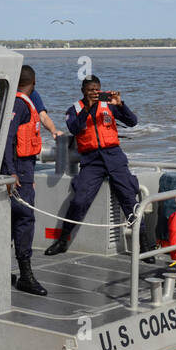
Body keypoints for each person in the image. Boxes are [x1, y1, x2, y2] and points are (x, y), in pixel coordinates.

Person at [43, 75, 140, 255]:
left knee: (128, 197)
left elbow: (132, 121)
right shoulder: (75, 109)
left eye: (97, 89)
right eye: (90, 90)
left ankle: (145, 244)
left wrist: (120, 104)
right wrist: (88, 108)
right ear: (83, 91)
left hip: (113, 156)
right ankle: (63, 241)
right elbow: (75, 128)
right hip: (91, 160)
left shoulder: (109, 105)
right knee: (80, 200)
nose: (94, 93)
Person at [2, 67, 47, 295]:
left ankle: (2, 270)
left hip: (24, 170)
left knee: (13, 219)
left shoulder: (13, 101)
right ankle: (25, 275)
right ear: (34, 82)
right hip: (18, 170)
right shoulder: (20, 103)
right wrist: (12, 172)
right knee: (23, 219)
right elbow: (9, 137)